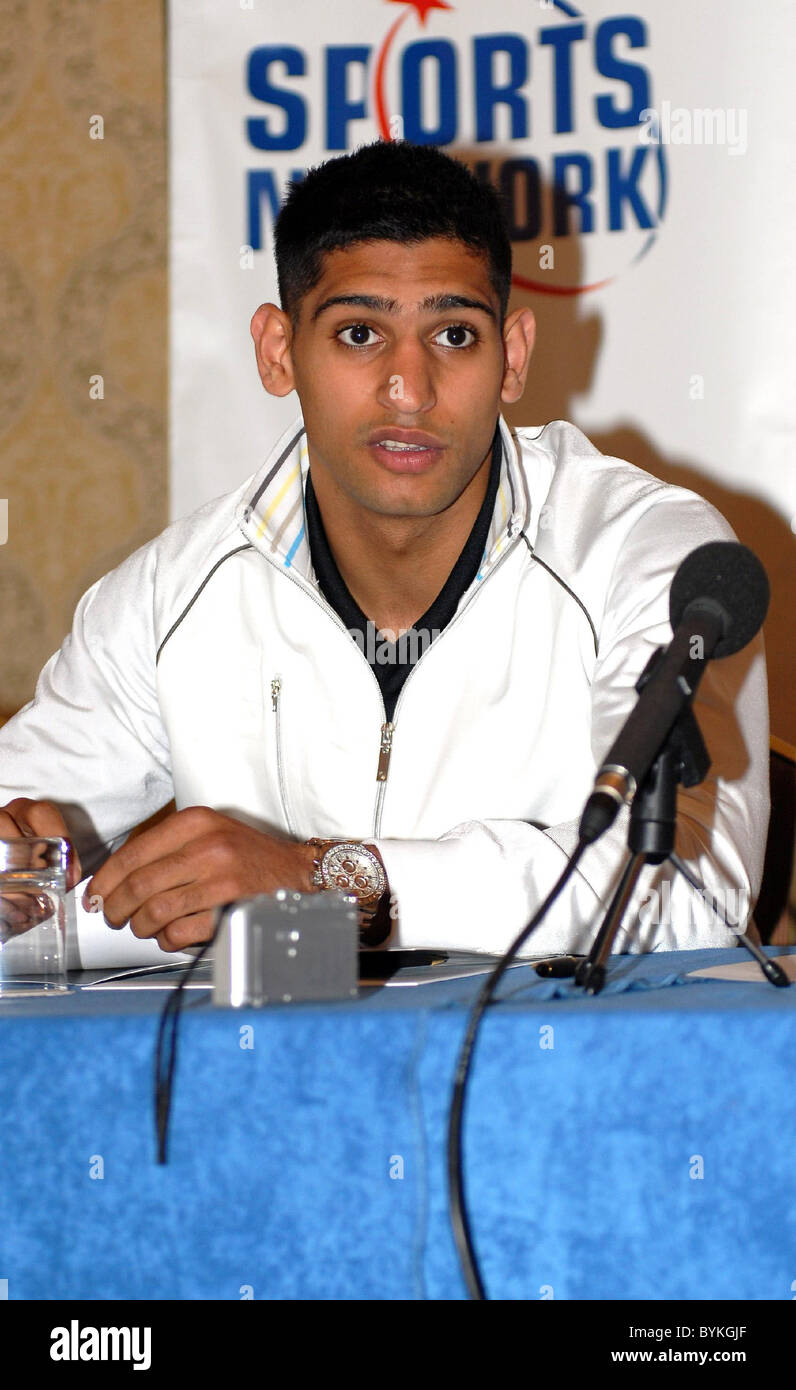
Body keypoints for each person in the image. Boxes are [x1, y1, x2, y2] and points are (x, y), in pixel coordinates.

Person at [0, 139, 769, 957]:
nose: (410, 389)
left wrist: (329, 883)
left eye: (455, 337)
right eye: (360, 333)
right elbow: (20, 855)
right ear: (277, 350)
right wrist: (22, 876)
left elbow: (689, 891)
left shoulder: (643, 554)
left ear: (511, 357)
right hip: (281, 1078)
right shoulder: (171, 594)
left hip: (577, 1078)